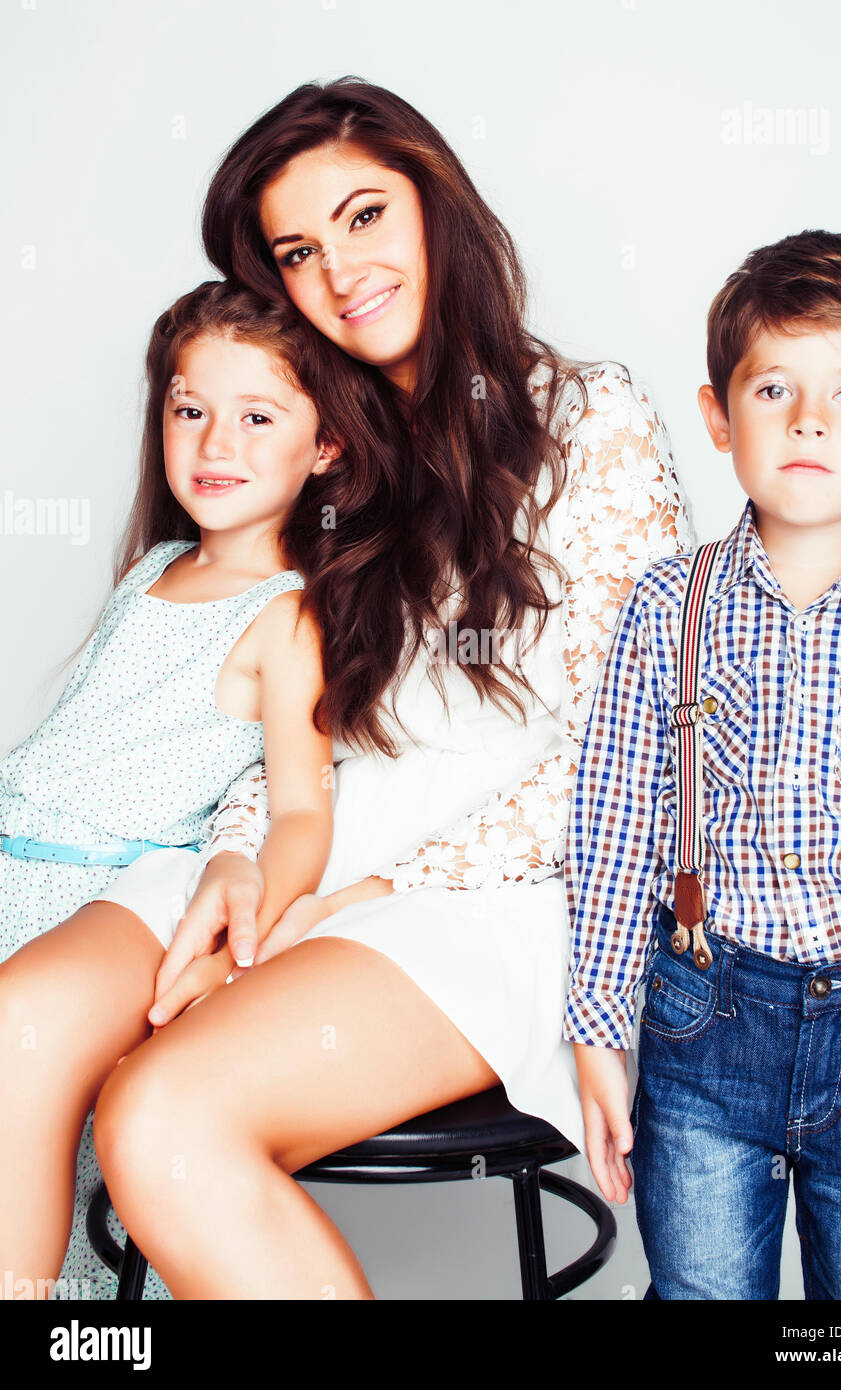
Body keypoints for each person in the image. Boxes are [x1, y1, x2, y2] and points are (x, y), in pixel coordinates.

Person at [69, 77, 696, 1299]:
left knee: (161, 1121)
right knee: (53, 1054)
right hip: (328, 854)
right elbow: (281, 727)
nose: (340, 270)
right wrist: (244, 864)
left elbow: (634, 753)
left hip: (522, 884)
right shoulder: (313, 448)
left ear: (436, 207)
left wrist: (374, 885)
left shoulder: (591, 416)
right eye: (300, 250)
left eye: (365, 217)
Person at [565, 229, 841, 1300]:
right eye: (774, 387)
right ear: (716, 416)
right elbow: (614, 825)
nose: (808, 421)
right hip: (706, 1022)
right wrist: (600, 1029)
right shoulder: (670, 603)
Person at [0, 278, 352, 1298]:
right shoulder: (151, 567)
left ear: (324, 445)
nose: (214, 445)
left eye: (257, 417)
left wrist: (244, 901)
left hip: (105, 893)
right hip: (19, 868)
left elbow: (300, 810)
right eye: (190, 410)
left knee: (23, 1050)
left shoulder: (287, 618)